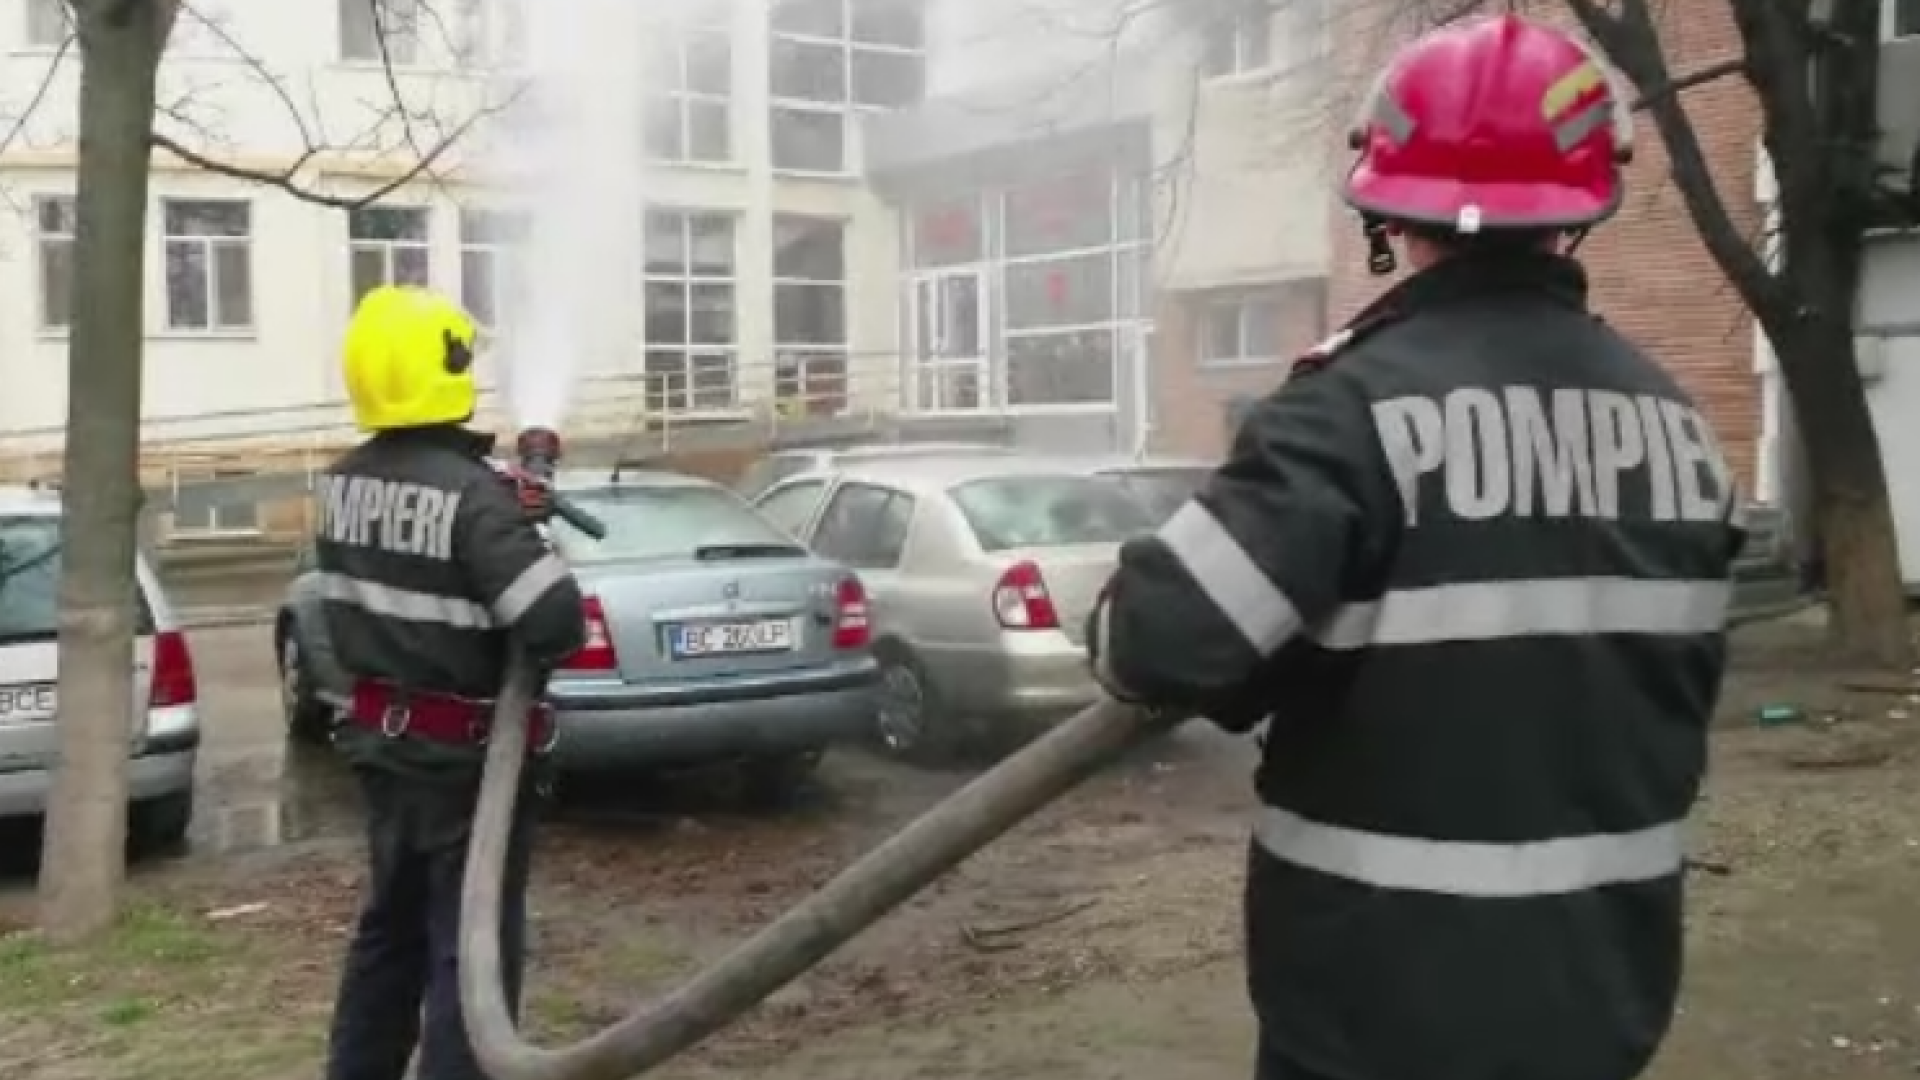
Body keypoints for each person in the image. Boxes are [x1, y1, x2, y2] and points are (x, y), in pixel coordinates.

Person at [1087, 15, 1748, 1080]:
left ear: (1388, 209)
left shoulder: (1345, 414)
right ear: (1579, 210)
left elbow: (1161, 644)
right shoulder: (1679, 426)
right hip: (1600, 1005)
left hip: (1371, 1017)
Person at [317, 285, 588, 1080]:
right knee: (470, 956)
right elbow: (554, 624)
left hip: (382, 754)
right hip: (468, 770)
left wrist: (504, 512)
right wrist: (517, 531)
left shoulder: (337, 483)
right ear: (445, 369)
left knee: (389, 936)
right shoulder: (473, 498)